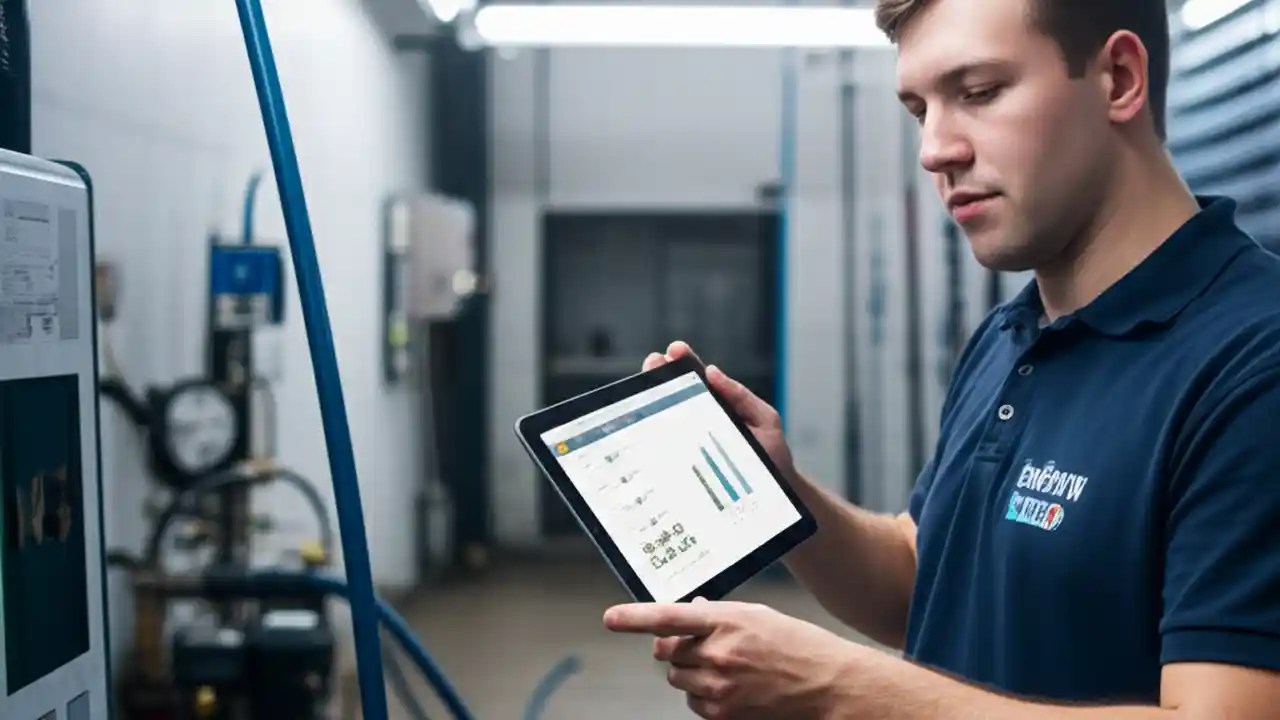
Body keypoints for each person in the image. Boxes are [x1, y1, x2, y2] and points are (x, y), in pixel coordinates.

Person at [602, 0, 1280, 717]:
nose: (935, 149)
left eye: (979, 93)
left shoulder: (1253, 363)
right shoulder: (1010, 337)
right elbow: (925, 576)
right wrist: (782, 491)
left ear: (1117, 78)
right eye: (919, 109)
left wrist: (841, 689)